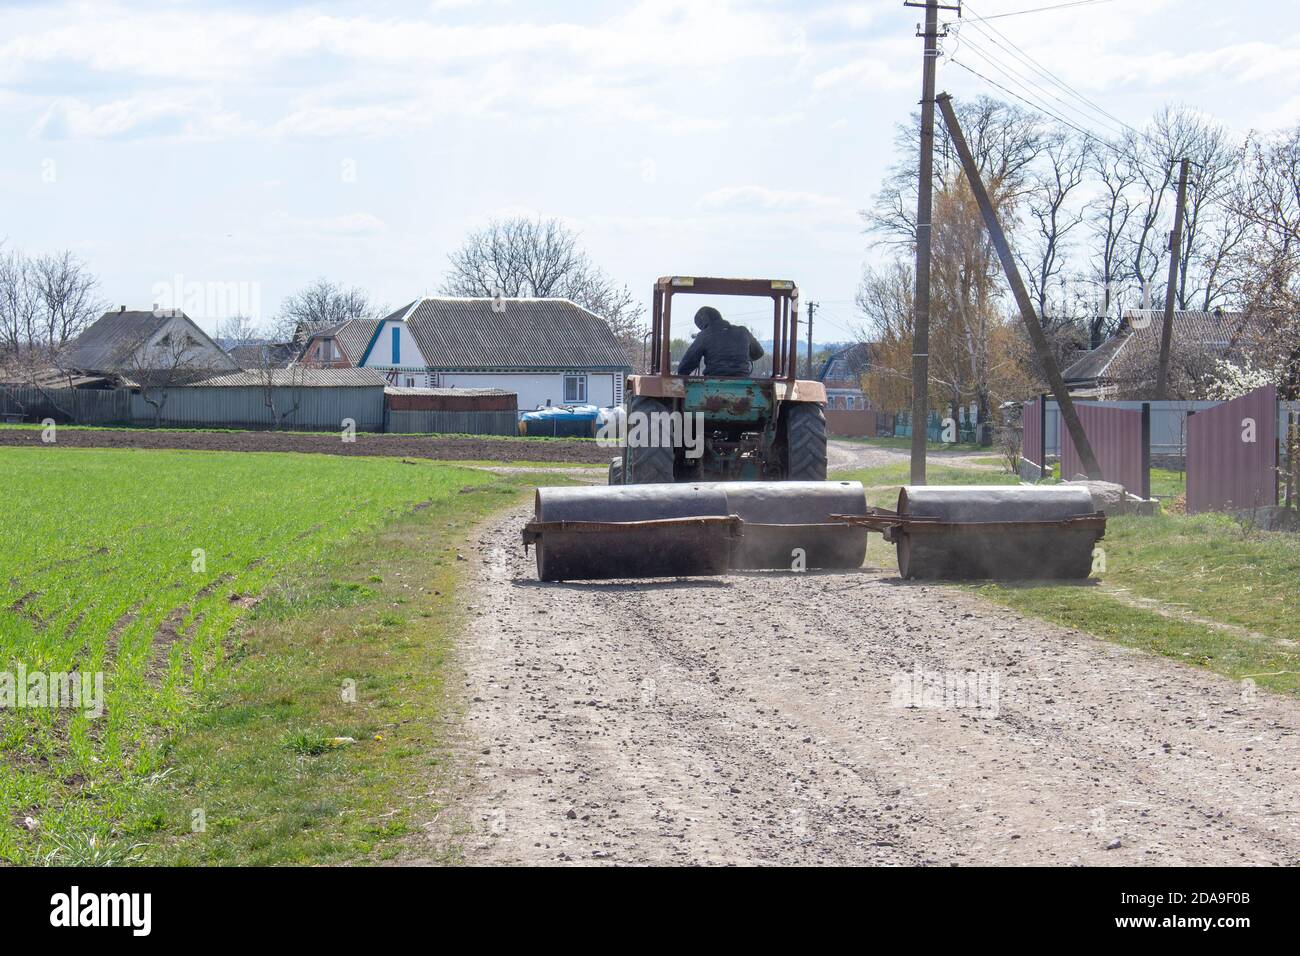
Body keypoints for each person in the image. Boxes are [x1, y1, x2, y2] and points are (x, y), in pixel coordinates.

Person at [676, 306, 765, 377]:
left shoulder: (704, 335)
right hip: (744, 382)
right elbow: (759, 352)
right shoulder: (743, 331)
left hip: (712, 385)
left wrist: (681, 375)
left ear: (703, 323)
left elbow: (687, 364)